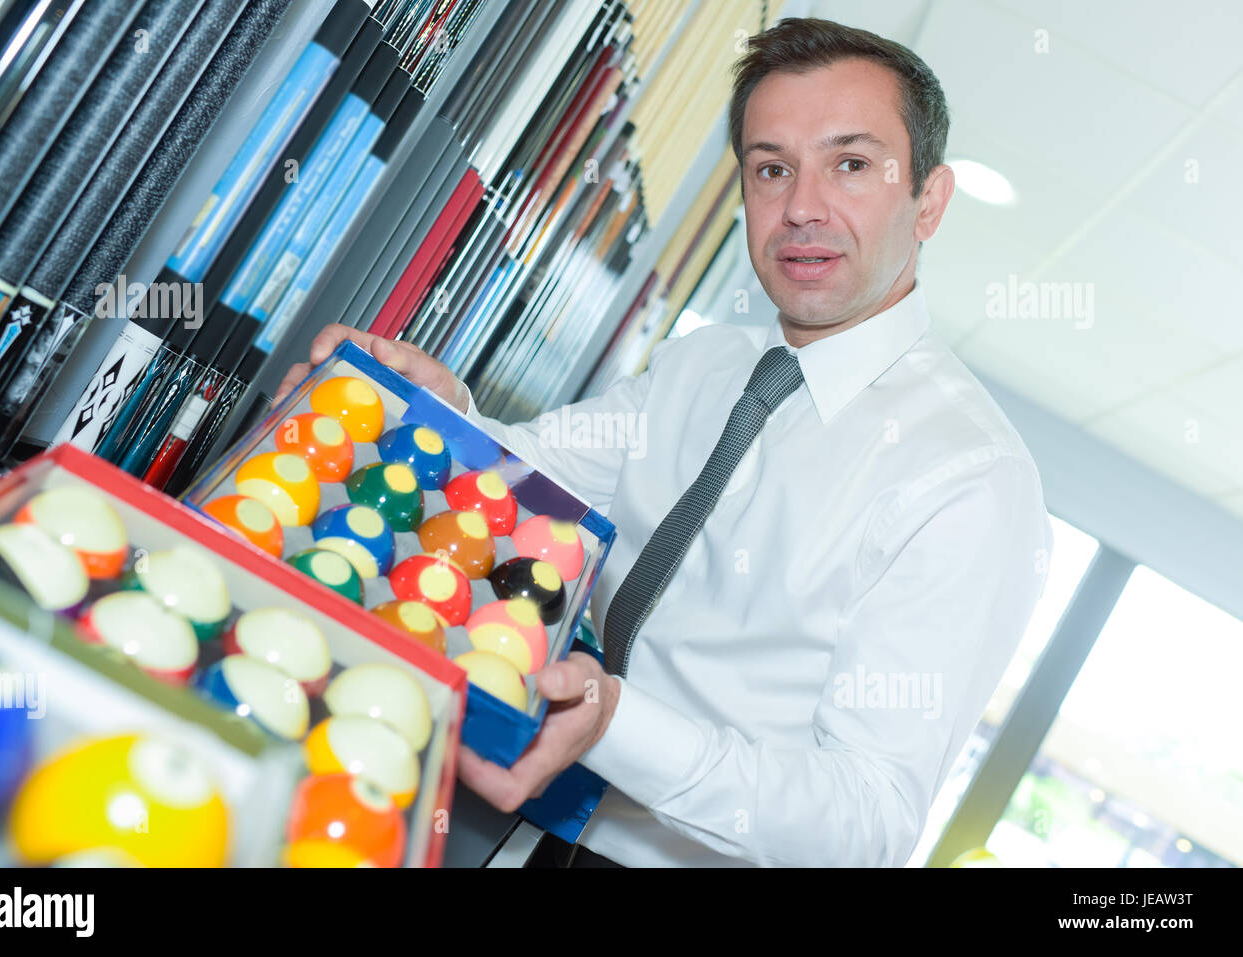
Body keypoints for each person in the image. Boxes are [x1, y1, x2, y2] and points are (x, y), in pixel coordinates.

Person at [276, 16, 1052, 867]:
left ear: (928, 200)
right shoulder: (709, 361)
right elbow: (530, 482)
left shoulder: (970, 479)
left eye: (852, 165)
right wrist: (438, 412)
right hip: (515, 820)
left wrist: (616, 724)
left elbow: (865, 820)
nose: (801, 207)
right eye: (772, 168)